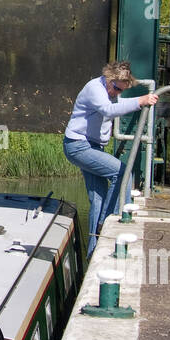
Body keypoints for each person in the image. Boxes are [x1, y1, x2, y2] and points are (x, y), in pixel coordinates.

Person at [63, 60, 158, 256]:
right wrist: (140, 101)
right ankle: (109, 225)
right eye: (115, 88)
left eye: (120, 91)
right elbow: (108, 110)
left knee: (98, 198)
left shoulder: (109, 91)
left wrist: (141, 99)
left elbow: (116, 103)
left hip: (92, 146)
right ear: (108, 78)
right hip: (78, 146)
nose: (116, 93)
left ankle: (93, 252)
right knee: (122, 172)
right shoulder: (94, 89)